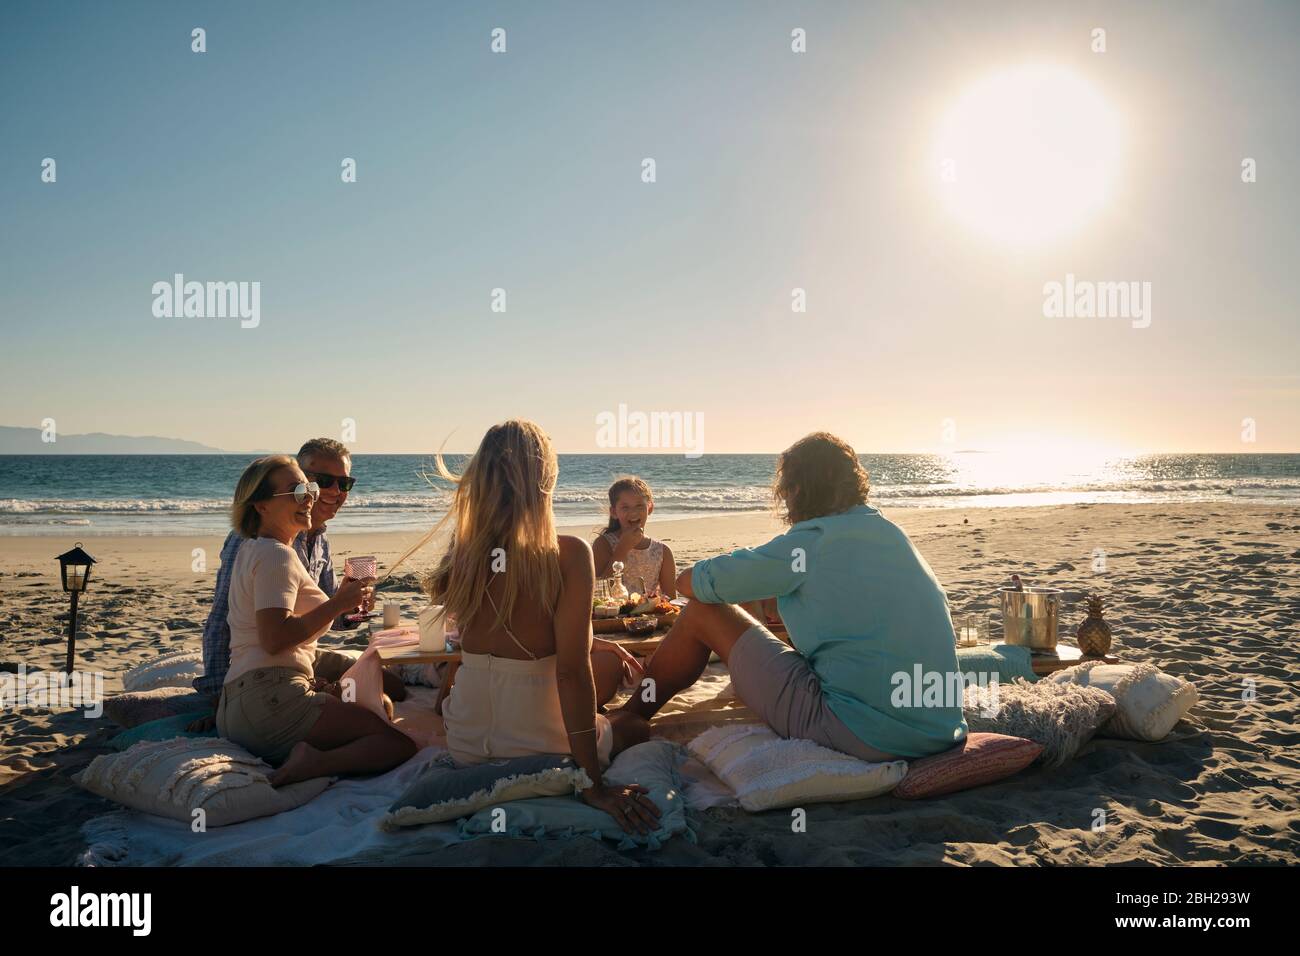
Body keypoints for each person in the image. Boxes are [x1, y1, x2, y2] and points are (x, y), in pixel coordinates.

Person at [618, 432, 968, 761]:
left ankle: (631, 715)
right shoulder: (889, 533)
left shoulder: (810, 542)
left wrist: (754, 572)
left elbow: (689, 583)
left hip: (862, 733)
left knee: (702, 613)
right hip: (939, 729)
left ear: (797, 488)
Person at [391, 420, 658, 834]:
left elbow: (475, 644)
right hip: (539, 739)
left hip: (467, 742)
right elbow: (570, 671)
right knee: (634, 725)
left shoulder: (463, 553)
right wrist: (592, 783)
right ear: (545, 481)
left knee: (604, 704)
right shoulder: (568, 553)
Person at [216, 455, 416, 786]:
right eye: (297, 491)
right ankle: (314, 762)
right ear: (261, 506)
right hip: (270, 700)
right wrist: (337, 603)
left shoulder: (255, 549)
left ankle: (311, 749)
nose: (309, 498)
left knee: (380, 692)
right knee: (396, 743)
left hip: (239, 707)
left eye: (309, 489)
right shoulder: (275, 555)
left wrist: (343, 605)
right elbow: (275, 638)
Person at [189, 438, 403, 731]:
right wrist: (218, 699)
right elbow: (221, 619)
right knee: (378, 710)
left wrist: (354, 607)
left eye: (345, 484)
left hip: (300, 653)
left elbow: (331, 617)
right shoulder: (256, 541)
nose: (333, 492)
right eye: (322, 481)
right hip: (267, 667)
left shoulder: (320, 539)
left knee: (390, 684)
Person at [592, 476, 677, 598]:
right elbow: (600, 593)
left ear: (650, 508)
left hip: (649, 615)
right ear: (614, 512)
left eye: (639, 506)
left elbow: (671, 600)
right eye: (625, 507)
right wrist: (623, 548)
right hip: (613, 614)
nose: (633, 512)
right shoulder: (603, 544)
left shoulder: (663, 551)